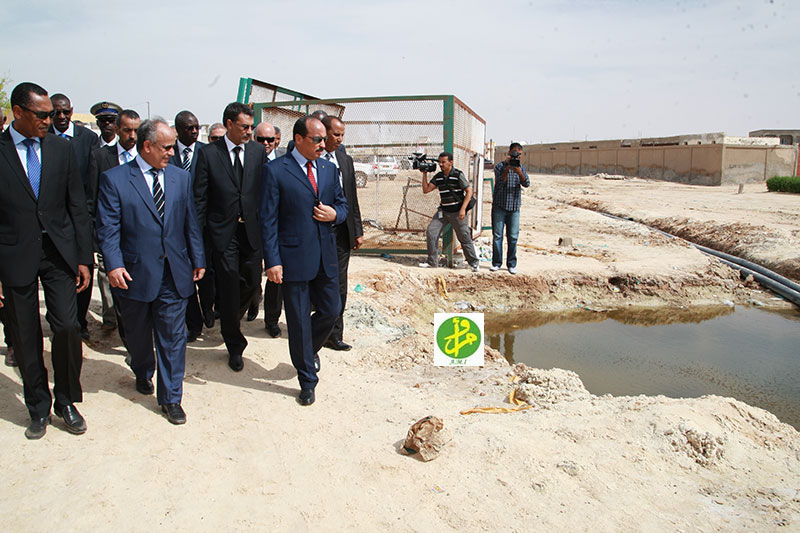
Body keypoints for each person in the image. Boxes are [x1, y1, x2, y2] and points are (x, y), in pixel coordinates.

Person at [95, 117, 205, 425]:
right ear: (147, 146)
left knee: (173, 336)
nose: (173, 152)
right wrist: (114, 264)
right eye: (167, 147)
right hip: (133, 274)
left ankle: (171, 398)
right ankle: (142, 370)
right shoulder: (115, 179)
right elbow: (108, 229)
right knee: (139, 336)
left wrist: (198, 258)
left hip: (173, 271)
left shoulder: (180, 179)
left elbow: (189, 223)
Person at [0, 82, 92, 439]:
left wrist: (83, 257)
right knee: (25, 335)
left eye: (52, 114)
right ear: (18, 112)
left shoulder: (60, 149)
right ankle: (37, 406)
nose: (49, 120)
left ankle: (66, 400)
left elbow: (77, 206)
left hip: (58, 252)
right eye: (42, 115)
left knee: (68, 326)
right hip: (14, 255)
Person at [260, 116, 348, 406]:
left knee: (331, 309)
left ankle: (307, 347)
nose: (324, 145)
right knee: (297, 321)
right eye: (318, 140)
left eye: (324, 139)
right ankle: (307, 379)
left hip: (325, 257)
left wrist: (336, 214)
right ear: (299, 139)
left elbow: (342, 204)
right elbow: (268, 220)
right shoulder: (275, 171)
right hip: (293, 258)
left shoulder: (327, 168)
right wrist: (272, 261)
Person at [194, 102, 265, 372]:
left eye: (251, 127)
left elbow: (263, 193)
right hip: (222, 234)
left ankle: (228, 318)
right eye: (245, 127)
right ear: (229, 124)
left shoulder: (258, 152)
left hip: (251, 231)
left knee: (251, 282)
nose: (250, 132)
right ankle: (234, 345)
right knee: (228, 286)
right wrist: (200, 239)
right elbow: (200, 199)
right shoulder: (209, 154)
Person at [87, 109, 141, 347]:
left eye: (136, 130)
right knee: (118, 291)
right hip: (111, 238)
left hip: (139, 240)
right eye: (127, 130)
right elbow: (91, 200)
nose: (132, 135)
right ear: (117, 130)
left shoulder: (146, 156)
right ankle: (128, 341)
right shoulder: (100, 157)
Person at [49, 93, 100, 340]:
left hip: (82, 219)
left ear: (71, 111)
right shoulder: (42, 137)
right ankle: (59, 317)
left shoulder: (88, 139)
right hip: (52, 221)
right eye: (55, 112)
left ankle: (80, 320)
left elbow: (93, 182)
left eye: (65, 112)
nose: (60, 117)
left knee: (84, 271)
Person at [321, 116, 363, 352]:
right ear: (323, 133)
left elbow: (352, 198)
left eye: (342, 135)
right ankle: (313, 328)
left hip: (341, 233)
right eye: (335, 134)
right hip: (317, 231)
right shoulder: (313, 158)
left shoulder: (344, 160)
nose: (339, 139)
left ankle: (334, 335)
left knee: (339, 285)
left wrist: (357, 230)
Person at [170, 110, 206, 342]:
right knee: (183, 275)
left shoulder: (205, 152)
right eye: (188, 128)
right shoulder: (166, 151)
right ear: (178, 130)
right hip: (173, 224)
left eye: (196, 127)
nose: (194, 131)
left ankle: (205, 314)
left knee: (202, 272)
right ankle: (191, 322)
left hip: (200, 225)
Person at [418, 152, 480, 272]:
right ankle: (432, 262)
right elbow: (426, 190)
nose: (440, 165)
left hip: (458, 213)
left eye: (443, 162)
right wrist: (424, 174)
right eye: (439, 162)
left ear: (450, 162)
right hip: (444, 212)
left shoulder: (458, 175)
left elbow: (469, 191)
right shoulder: (439, 177)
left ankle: (474, 263)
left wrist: (463, 209)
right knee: (431, 232)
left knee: (464, 237)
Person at [246, 121, 280, 326]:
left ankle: (272, 320)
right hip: (253, 225)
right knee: (252, 271)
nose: (266, 143)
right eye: (261, 139)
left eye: (270, 140)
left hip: (277, 227)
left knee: (276, 273)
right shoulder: (248, 161)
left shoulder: (285, 162)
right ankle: (251, 302)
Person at [491, 143, 530, 275]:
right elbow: (500, 183)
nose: (516, 156)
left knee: (513, 237)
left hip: (514, 207)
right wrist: (507, 169)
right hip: (499, 206)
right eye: (514, 153)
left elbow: (527, 183)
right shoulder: (500, 167)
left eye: (519, 154)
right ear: (509, 152)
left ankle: (511, 264)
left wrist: (519, 172)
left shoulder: (521, 168)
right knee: (497, 236)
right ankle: (496, 263)